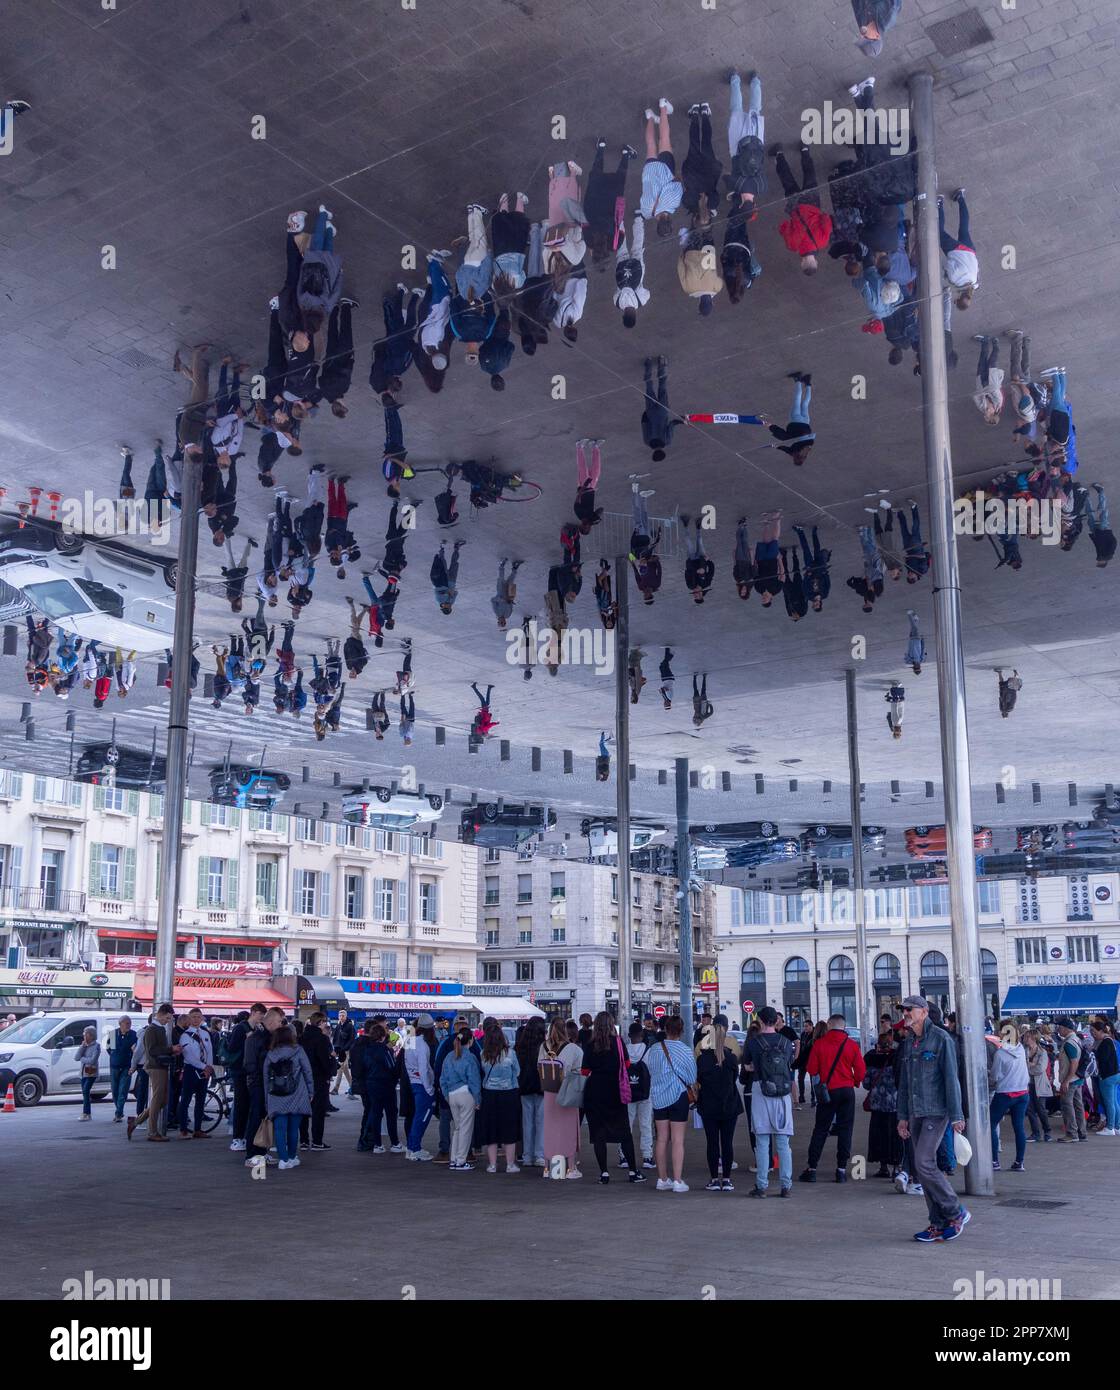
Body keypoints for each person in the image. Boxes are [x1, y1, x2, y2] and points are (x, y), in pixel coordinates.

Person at [896, 996, 969, 1243]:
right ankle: (937, 1223)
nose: (905, 1013)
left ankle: (955, 1210)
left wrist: (957, 1115)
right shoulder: (909, 1043)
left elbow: (951, 1078)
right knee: (921, 1167)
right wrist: (903, 1116)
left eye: (909, 1009)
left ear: (924, 1012)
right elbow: (905, 1084)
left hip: (936, 1110)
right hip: (916, 1111)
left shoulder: (941, 1038)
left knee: (924, 1162)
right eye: (904, 1009)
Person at [801, 1014, 866, 1182]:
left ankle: (812, 1168)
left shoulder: (819, 1044)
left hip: (828, 1092)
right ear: (844, 1027)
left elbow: (812, 1069)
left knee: (821, 1129)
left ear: (829, 1026)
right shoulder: (851, 1045)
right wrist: (855, 1082)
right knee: (846, 1129)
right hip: (846, 1091)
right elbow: (860, 1071)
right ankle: (841, 1170)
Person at [582, 1012, 645, 1184]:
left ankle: (604, 1173)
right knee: (624, 1132)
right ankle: (633, 1171)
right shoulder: (618, 1043)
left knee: (598, 1134)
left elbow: (584, 1071)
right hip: (616, 1090)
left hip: (595, 1092)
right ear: (611, 1025)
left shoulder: (590, 1045)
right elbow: (626, 1064)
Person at [745, 1006, 795, 1197]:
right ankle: (786, 1186)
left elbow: (748, 1066)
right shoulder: (786, 1041)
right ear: (776, 1021)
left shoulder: (753, 1042)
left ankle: (762, 1186)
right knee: (783, 1142)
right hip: (782, 1093)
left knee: (762, 1140)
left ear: (760, 1020)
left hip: (761, 1090)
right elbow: (788, 1064)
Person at [645, 1013, 696, 1192]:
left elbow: (650, 1070)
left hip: (658, 1098)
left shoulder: (654, 1049)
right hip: (678, 1097)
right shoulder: (685, 1050)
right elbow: (691, 1077)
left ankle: (662, 1179)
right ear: (681, 1031)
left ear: (665, 1029)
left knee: (661, 1139)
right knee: (677, 1140)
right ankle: (677, 1180)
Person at [695, 1014, 743, 1191]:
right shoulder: (730, 1058)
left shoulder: (702, 1058)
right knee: (727, 1143)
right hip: (729, 1104)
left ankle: (714, 1179)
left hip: (708, 1105)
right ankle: (728, 1180)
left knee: (712, 1143)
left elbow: (697, 1080)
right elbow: (735, 1078)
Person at [771, 144, 831, 274]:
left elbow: (826, 220)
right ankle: (778, 154)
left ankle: (804, 151)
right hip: (795, 207)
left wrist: (819, 214)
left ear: (816, 261)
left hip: (812, 204)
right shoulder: (792, 245)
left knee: (810, 177)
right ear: (802, 262)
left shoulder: (822, 242)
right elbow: (784, 226)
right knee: (787, 180)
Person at [263, 1024, 314, 1170]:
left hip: (276, 1096)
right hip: (297, 1094)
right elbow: (307, 1072)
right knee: (293, 1129)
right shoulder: (298, 1051)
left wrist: (267, 1097)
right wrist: (311, 1092)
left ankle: (283, 1160)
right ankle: (292, 1157)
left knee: (279, 1129)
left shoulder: (270, 1054)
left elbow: (266, 1077)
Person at [539, 1017, 583, 1179]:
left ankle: (547, 1168)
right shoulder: (573, 1048)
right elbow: (581, 1069)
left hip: (549, 1092)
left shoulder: (543, 1047)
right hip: (568, 1092)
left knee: (549, 1130)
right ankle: (570, 1168)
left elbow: (539, 1066)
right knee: (568, 1130)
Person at [478, 1021, 521, 1173]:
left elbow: (482, 1072)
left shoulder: (483, 1054)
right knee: (509, 1129)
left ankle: (492, 1165)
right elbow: (517, 1071)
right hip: (508, 1094)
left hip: (489, 1094)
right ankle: (510, 1164)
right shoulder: (511, 1053)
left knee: (491, 1130)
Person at [987, 1020, 1030, 1172]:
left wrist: (988, 1075)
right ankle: (1019, 1162)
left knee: (991, 1124)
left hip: (1005, 1093)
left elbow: (994, 1077)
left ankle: (994, 1161)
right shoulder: (1021, 1049)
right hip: (1023, 1093)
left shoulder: (1000, 1054)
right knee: (1019, 1127)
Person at [439, 1025, 482, 1172]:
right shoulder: (470, 1057)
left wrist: (446, 1095)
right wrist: (477, 1099)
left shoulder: (448, 1056)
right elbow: (474, 1080)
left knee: (457, 1128)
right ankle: (461, 1161)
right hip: (466, 1094)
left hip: (451, 1094)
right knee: (465, 1129)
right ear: (470, 1040)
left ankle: (454, 1159)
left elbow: (442, 1079)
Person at [639, 97, 683, 237]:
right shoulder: (646, 212)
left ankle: (663, 107)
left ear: (670, 222)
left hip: (666, 169)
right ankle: (650, 117)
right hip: (649, 171)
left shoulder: (673, 204)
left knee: (664, 139)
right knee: (651, 145)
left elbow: (678, 185)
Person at [864, 1031, 903, 1178]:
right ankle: (897, 1167)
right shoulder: (897, 1060)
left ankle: (883, 1167)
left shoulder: (871, 1060)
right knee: (895, 1136)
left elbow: (866, 1084)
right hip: (894, 1105)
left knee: (879, 1136)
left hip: (877, 1106)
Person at [619, 1020, 655, 1170]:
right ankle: (647, 1156)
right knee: (645, 1124)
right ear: (642, 1034)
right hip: (645, 1093)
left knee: (626, 1124)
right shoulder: (649, 1051)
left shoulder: (624, 1050)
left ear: (629, 1035)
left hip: (627, 1093)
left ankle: (623, 1157)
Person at [365, 1022, 404, 1154]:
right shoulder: (385, 1050)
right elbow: (391, 1066)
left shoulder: (368, 1050)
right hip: (386, 1084)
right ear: (382, 1037)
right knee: (391, 1114)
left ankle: (377, 1144)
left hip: (371, 1084)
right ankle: (395, 1143)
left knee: (376, 1114)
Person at [404, 1014, 438, 1159]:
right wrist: (430, 1089)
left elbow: (406, 1062)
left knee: (417, 1117)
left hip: (413, 1083)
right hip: (423, 1086)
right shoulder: (423, 1045)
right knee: (422, 1118)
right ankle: (415, 1149)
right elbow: (424, 1068)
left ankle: (411, 1148)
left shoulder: (410, 1041)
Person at [177, 1007, 214, 1139]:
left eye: (199, 1016)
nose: (196, 1019)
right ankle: (183, 1130)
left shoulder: (205, 1034)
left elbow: (210, 1051)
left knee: (201, 1100)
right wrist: (204, 1066)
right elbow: (189, 1056)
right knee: (185, 1100)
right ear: (189, 1018)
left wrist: (209, 1067)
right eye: (193, 1017)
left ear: (202, 1018)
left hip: (204, 1070)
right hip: (191, 1070)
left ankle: (198, 1129)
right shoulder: (185, 1036)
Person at [298, 1010, 333, 1151]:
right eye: (325, 1021)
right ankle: (317, 1141)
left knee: (303, 1110)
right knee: (318, 1110)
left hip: (303, 1077)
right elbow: (324, 1060)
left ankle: (304, 1141)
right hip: (318, 1078)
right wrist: (329, 1072)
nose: (326, 1024)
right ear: (320, 1023)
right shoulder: (322, 1039)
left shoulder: (302, 1037)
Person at [939, 188, 978, 311]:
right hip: (955, 250)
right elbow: (948, 264)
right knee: (938, 232)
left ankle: (961, 197)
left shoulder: (975, 284)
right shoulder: (955, 279)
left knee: (964, 227)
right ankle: (939, 203)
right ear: (957, 299)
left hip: (970, 251)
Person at [515, 1017, 547, 1167]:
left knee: (527, 1122)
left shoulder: (519, 1046)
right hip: (541, 1086)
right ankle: (539, 1155)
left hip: (524, 1086)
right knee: (541, 1121)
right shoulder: (545, 1046)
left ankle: (527, 1155)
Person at [1054, 1017, 1088, 1142]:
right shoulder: (1076, 1039)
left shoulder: (1069, 1043)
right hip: (1077, 1078)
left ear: (1065, 1028)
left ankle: (1071, 1133)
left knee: (1067, 1105)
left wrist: (1066, 1081)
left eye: (1059, 1027)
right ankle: (1082, 1133)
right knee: (1078, 1105)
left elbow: (1074, 1063)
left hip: (1071, 1079)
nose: (1058, 1030)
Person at [614, 211, 649, 327]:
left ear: (635, 316)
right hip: (622, 265)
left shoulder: (641, 301)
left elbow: (647, 293)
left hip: (637, 266)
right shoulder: (617, 302)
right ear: (623, 316)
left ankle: (638, 219)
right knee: (621, 245)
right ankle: (620, 221)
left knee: (637, 245)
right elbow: (617, 291)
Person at [640, 356, 677, 461]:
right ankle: (648, 364)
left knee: (663, 388)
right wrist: (646, 413)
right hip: (651, 413)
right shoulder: (647, 441)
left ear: (663, 452)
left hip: (662, 412)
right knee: (649, 388)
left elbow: (672, 424)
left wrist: (682, 421)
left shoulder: (667, 441)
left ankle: (662, 364)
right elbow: (644, 424)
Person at [1024, 1028, 1053, 1144]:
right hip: (1027, 1084)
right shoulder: (1023, 1051)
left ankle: (1047, 1131)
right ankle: (1035, 1133)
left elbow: (1040, 1069)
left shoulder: (1042, 1052)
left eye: (1027, 1037)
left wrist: (1027, 1066)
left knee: (1041, 1109)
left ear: (1033, 1038)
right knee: (1030, 1109)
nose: (1025, 1039)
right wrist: (1031, 1064)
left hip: (1039, 1085)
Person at [1090, 1020, 1119, 1134]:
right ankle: (1116, 1126)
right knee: (1114, 1102)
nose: (1092, 1033)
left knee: (1109, 1103)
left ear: (1101, 1030)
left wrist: (1094, 1053)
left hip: (1107, 1076)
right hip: (1114, 1075)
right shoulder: (1110, 1041)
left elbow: (1103, 1059)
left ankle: (1110, 1127)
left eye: (1094, 1031)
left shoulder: (1106, 1042)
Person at [107, 1015, 137, 1124]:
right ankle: (119, 1109)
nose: (129, 1025)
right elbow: (109, 1049)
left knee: (123, 1090)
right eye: (126, 1023)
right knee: (115, 1091)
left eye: (130, 1023)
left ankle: (119, 1113)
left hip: (126, 1066)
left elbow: (135, 1050)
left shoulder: (133, 1035)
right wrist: (115, 1057)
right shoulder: (114, 1034)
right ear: (120, 1024)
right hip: (114, 1066)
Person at [972, 335, 1004, 425]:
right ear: (992, 413)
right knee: (992, 360)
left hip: (981, 381)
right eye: (987, 417)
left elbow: (974, 397)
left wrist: (983, 392)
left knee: (982, 360)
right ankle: (995, 344)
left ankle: (985, 341)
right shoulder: (998, 403)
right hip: (992, 379)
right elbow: (994, 389)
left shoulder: (982, 407)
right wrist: (983, 393)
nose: (984, 416)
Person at [75, 1026, 101, 1122]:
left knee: (86, 1091)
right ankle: (86, 1113)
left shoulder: (96, 1046)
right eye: (84, 1034)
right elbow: (76, 1057)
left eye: (86, 1034)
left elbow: (92, 1060)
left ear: (91, 1035)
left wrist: (83, 1059)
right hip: (83, 1073)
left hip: (91, 1073)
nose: (84, 1036)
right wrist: (83, 1046)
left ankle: (86, 1113)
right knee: (85, 1093)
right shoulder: (84, 1045)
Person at [331, 1009, 356, 1096]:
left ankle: (336, 1088)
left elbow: (352, 1039)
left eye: (343, 1016)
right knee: (345, 1070)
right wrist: (335, 1048)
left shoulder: (350, 1026)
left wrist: (345, 1049)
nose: (341, 1017)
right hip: (340, 1051)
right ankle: (353, 1088)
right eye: (340, 1016)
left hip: (347, 1051)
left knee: (341, 1068)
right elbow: (335, 1038)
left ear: (346, 1016)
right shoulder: (338, 1026)